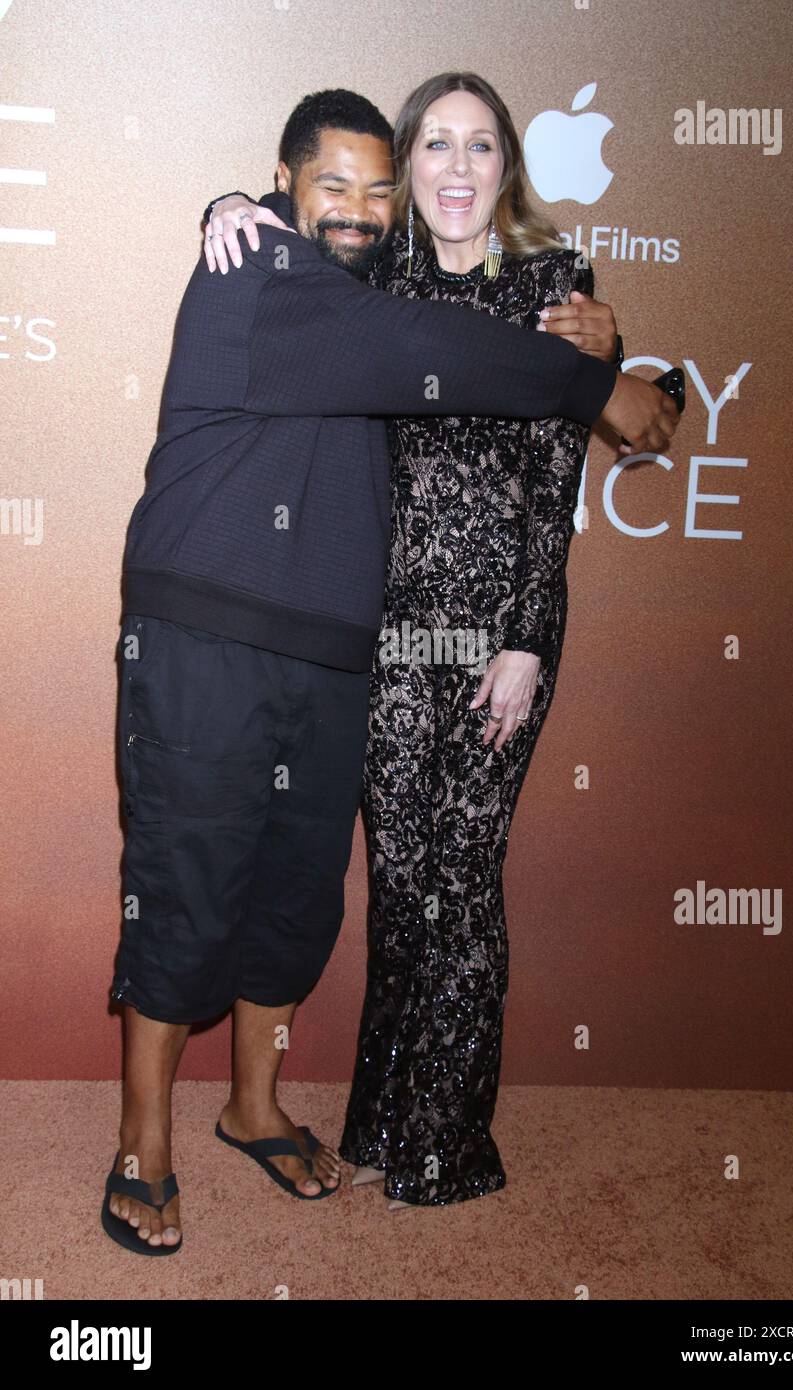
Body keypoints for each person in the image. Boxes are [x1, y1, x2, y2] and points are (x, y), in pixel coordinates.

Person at [104, 88, 675, 1253]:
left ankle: (252, 1106)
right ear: (280, 182)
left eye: (378, 186)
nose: (360, 209)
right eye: (333, 185)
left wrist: (615, 350)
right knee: (183, 892)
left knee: (297, 901)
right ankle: (141, 1145)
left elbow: (459, 338)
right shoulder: (252, 267)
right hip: (205, 638)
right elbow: (428, 349)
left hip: (332, 656)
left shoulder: (376, 278)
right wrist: (595, 386)